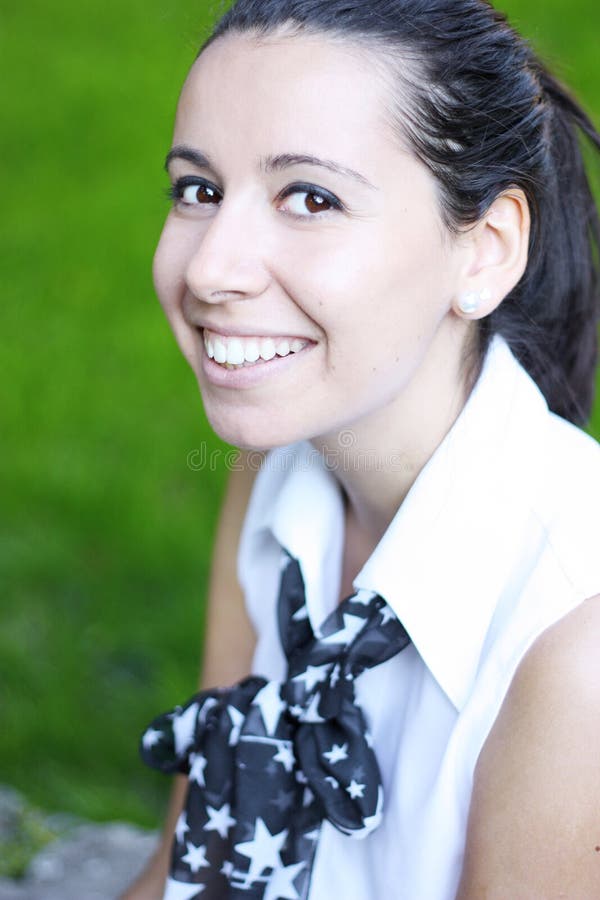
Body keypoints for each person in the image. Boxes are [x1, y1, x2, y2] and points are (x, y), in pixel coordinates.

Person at [123, 0, 600, 897]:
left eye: (311, 197)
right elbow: (194, 849)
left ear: (486, 251)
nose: (211, 268)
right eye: (199, 189)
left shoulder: (577, 641)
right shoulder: (271, 472)